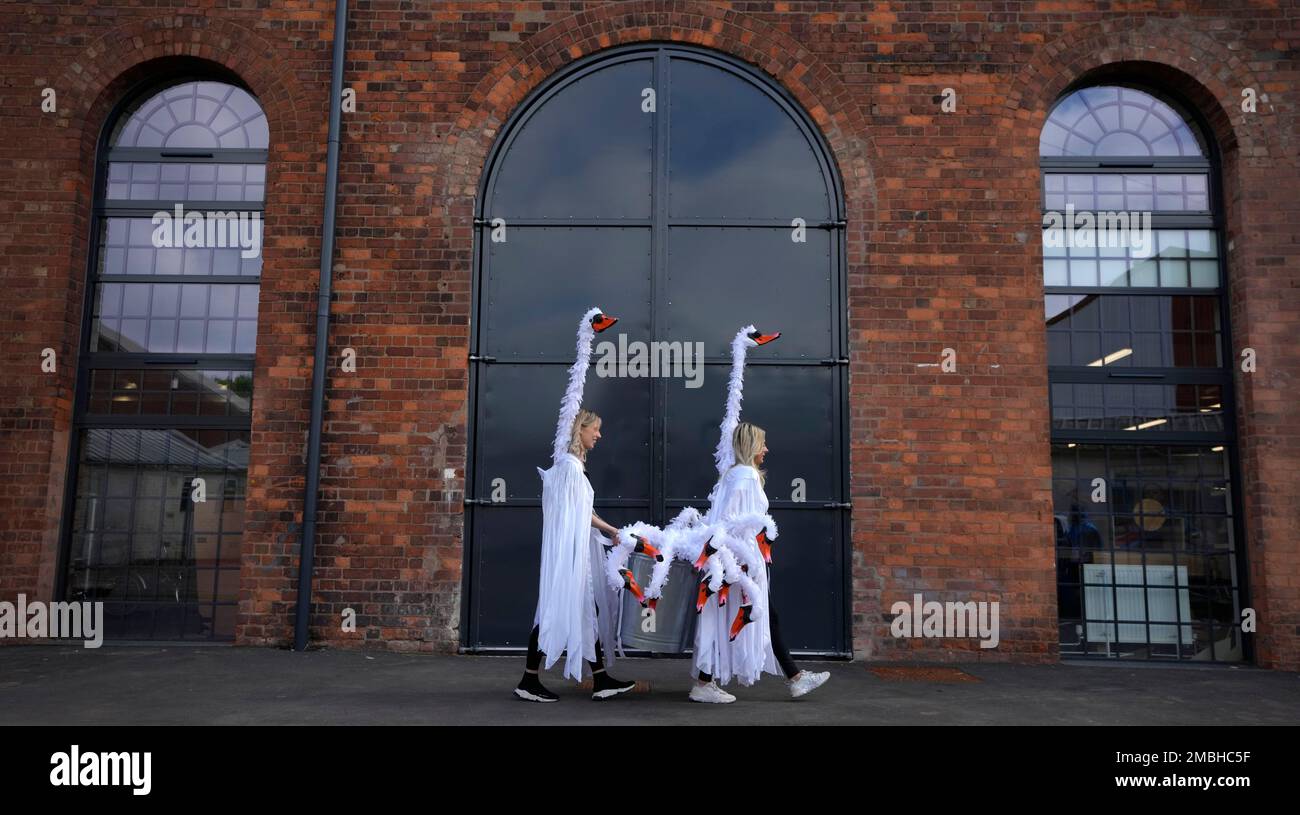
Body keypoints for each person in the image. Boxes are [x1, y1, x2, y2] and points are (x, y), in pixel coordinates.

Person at [689, 422, 831, 703]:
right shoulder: (746, 477)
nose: (767, 449)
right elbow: (733, 522)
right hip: (742, 562)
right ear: (752, 447)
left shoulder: (732, 476)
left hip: (736, 561)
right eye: (763, 444)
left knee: (744, 617)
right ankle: (793, 679)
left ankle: (794, 678)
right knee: (749, 616)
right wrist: (747, 562)